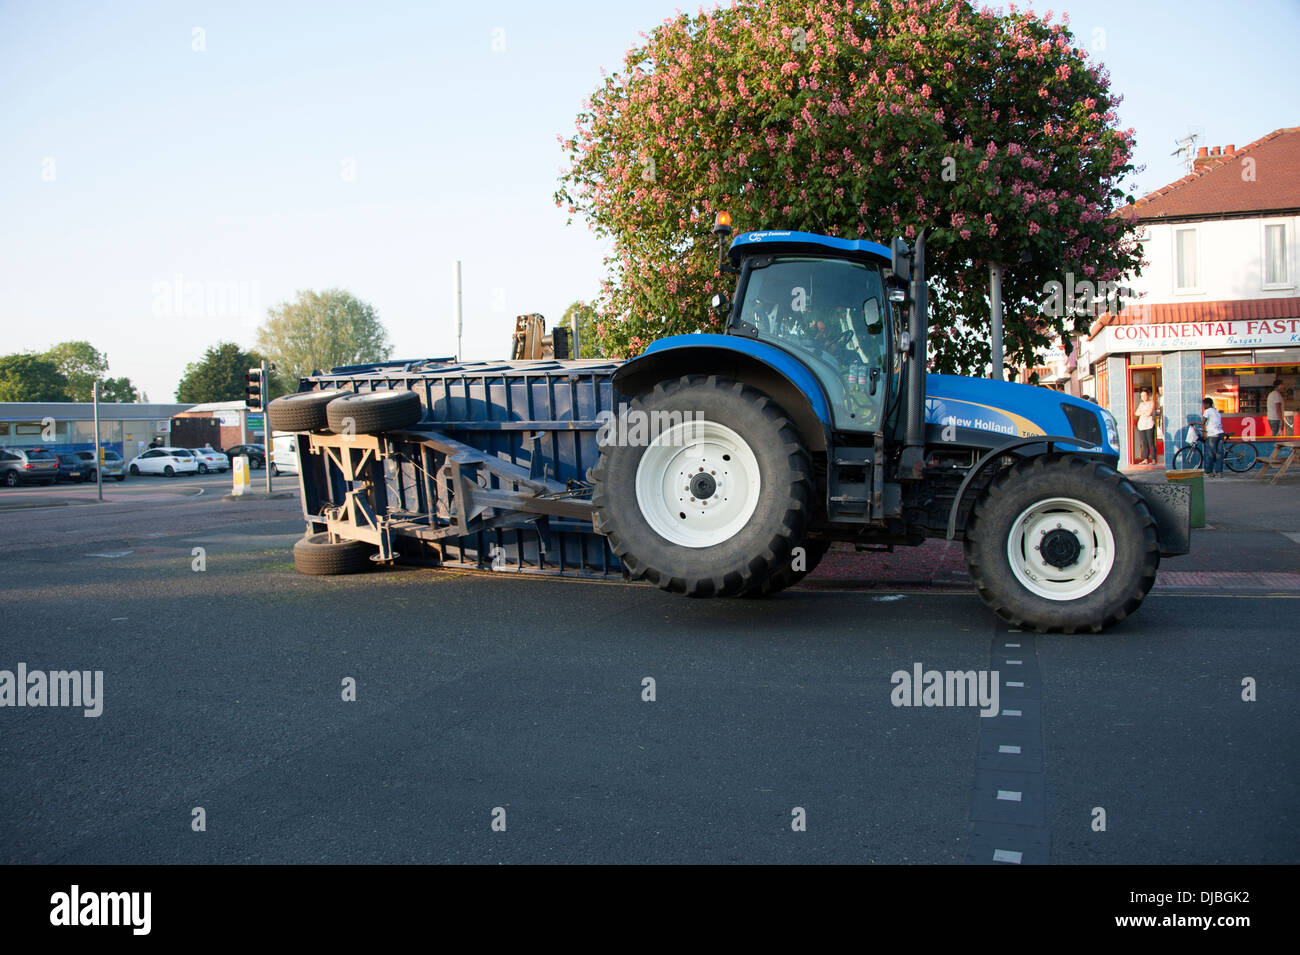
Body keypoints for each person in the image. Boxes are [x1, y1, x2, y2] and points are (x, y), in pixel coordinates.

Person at [1202, 397, 1225, 478]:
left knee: (1210, 454)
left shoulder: (1207, 411)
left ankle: (1208, 472)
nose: (1203, 406)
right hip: (1220, 434)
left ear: (1208, 404)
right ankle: (1219, 473)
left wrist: (1193, 423)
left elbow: (1202, 423)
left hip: (1212, 435)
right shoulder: (1216, 412)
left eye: (1204, 404)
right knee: (1219, 454)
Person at [1134, 387, 1156, 465]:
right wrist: (1144, 411)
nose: (1143, 397)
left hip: (1149, 424)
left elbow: (1149, 413)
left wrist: (1142, 412)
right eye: (1141, 396)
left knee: (1151, 442)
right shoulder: (1141, 404)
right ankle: (1145, 459)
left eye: (1144, 395)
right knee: (1144, 442)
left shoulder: (1152, 403)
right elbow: (1136, 413)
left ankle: (1153, 459)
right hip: (1141, 425)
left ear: (1148, 395)